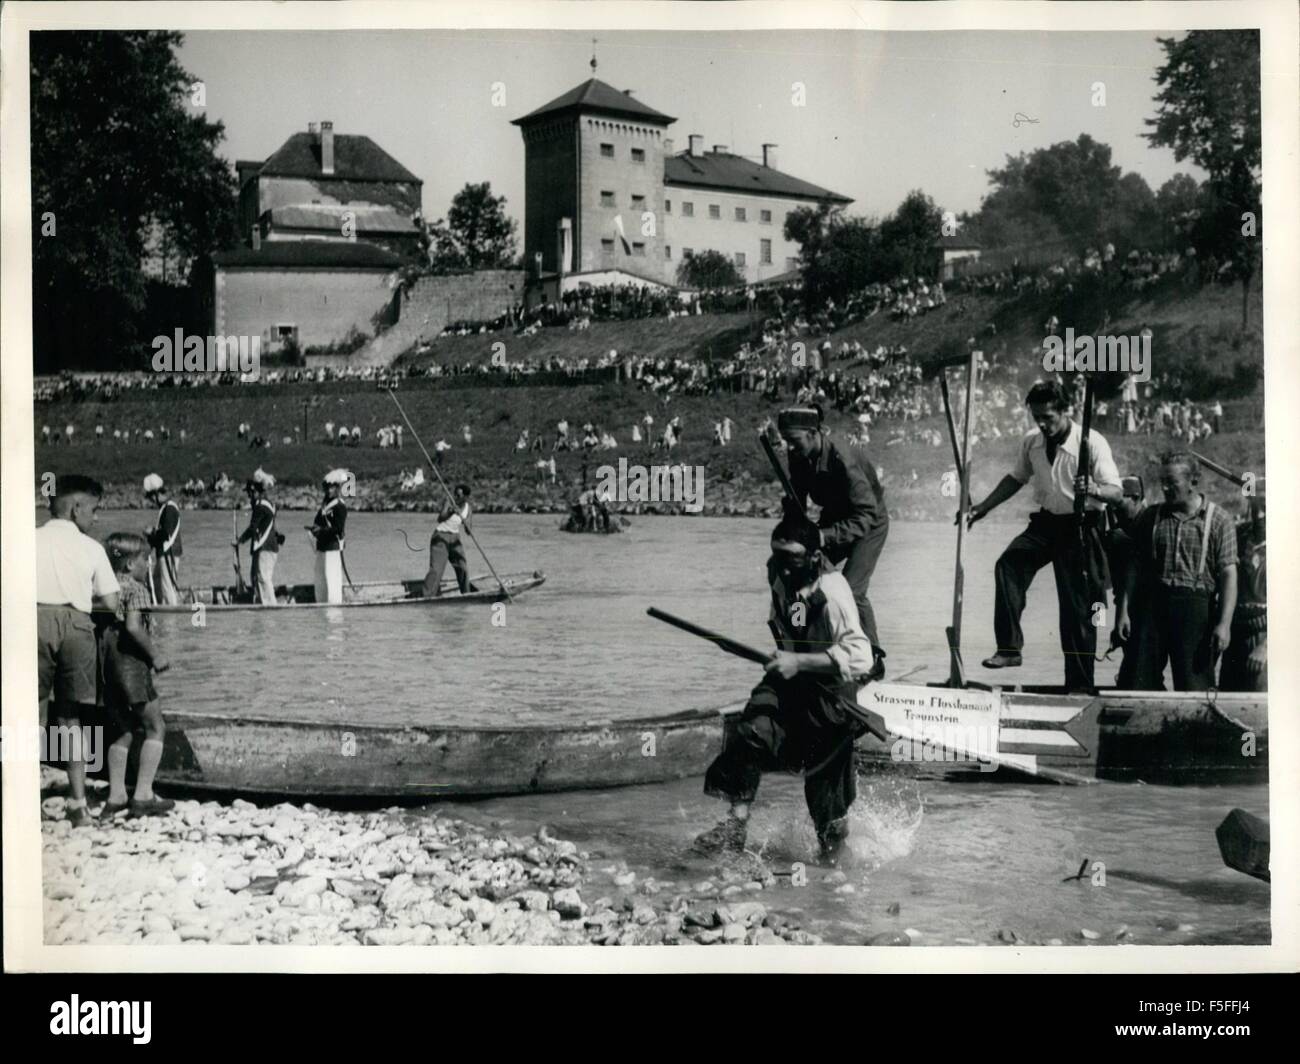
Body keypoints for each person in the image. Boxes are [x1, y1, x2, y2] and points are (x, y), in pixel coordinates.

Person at [695, 516, 874, 863]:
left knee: (829, 814)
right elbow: (792, 620)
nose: (783, 566)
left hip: (831, 695)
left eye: (792, 558)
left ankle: (833, 879)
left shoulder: (834, 595)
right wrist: (787, 656)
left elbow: (861, 658)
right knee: (751, 731)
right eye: (778, 556)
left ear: (814, 557)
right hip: (790, 680)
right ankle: (736, 824)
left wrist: (801, 662)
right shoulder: (778, 573)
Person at [967, 381, 1121, 691]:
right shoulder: (1031, 442)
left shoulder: (1091, 442)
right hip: (1047, 524)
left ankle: (1079, 688)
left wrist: (1093, 489)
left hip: (1082, 526)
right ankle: (1010, 649)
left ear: (1066, 411)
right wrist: (983, 507)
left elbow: (1115, 491)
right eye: (1036, 416)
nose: (1041, 423)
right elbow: (1016, 478)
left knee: (1077, 612)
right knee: (1008, 565)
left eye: (1048, 417)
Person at [778, 406, 889, 681]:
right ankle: (809, 648)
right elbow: (798, 499)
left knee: (851, 590)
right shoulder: (798, 455)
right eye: (786, 441)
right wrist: (794, 528)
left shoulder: (844, 458)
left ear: (814, 434)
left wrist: (823, 536)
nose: (790, 447)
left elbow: (865, 513)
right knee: (802, 574)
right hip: (833, 518)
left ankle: (870, 659)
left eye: (795, 440)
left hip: (869, 521)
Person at [37, 474, 120, 828]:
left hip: (32, 619)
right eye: (94, 510)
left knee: (31, 717)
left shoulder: (26, 539)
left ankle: (22, 799)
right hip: (76, 624)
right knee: (72, 719)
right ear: (75, 509)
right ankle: (78, 804)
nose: (96, 518)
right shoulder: (92, 548)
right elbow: (113, 602)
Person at [1117, 453, 1237, 691]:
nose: (1165, 487)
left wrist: (1224, 624)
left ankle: (1195, 728)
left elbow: (1228, 575)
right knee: (1138, 681)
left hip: (1196, 611)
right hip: (1153, 608)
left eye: (1172, 482)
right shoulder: (1151, 517)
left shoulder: (1219, 520)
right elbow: (1133, 568)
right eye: (1163, 481)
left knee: (1195, 685)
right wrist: (1123, 612)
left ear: (1193, 482)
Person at [99, 532, 173, 820]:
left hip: (108, 667)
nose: (149, 563)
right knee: (156, 725)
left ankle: (116, 795)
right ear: (130, 564)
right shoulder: (138, 589)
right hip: (132, 665)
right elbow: (133, 626)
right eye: (145, 558)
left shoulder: (104, 588)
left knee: (122, 730)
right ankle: (143, 794)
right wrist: (155, 656)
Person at [1102, 475, 1149, 687]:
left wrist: (1123, 614)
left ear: (1136, 498)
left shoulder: (1147, 527)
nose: (1115, 511)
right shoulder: (1117, 530)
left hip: (1145, 608)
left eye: (1120, 505)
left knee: (1139, 671)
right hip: (1126, 607)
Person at [1220, 480, 1266, 692]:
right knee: (1228, 705)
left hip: (1268, 638)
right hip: (1237, 634)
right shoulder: (1238, 537)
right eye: (1254, 507)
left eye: (1265, 507)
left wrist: (1266, 647)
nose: (1258, 515)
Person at [235, 469, 284, 604]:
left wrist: (239, 541)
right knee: (256, 578)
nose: (250, 497)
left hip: (266, 547)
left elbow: (253, 528)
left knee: (263, 577)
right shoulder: (266, 504)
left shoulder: (261, 506)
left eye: (251, 493)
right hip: (263, 547)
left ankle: (270, 606)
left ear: (255, 492)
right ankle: (260, 603)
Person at [423, 485, 478, 596]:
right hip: (440, 537)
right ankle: (428, 595)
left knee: (462, 567)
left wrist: (467, 525)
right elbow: (440, 518)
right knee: (436, 570)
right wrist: (451, 511)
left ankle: (466, 594)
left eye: (459, 495)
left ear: (466, 497)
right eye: (455, 494)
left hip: (455, 539)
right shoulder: (449, 501)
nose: (456, 497)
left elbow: (468, 531)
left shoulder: (468, 508)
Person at [309, 470, 349, 604]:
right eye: (327, 487)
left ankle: (333, 604)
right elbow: (317, 521)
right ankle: (321, 602)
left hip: (332, 546)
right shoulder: (325, 507)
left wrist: (322, 530)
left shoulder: (340, 507)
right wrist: (315, 529)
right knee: (320, 577)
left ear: (337, 488)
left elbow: (338, 529)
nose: (328, 490)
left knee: (331, 577)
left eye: (331, 487)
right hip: (322, 546)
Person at [142, 473, 183, 606]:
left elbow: (166, 534)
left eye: (151, 498)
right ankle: (160, 607)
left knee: (167, 587)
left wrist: (152, 532)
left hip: (169, 553)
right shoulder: (165, 509)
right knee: (156, 581)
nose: (152, 502)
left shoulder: (170, 509)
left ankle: (170, 616)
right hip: (164, 553)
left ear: (157, 494)